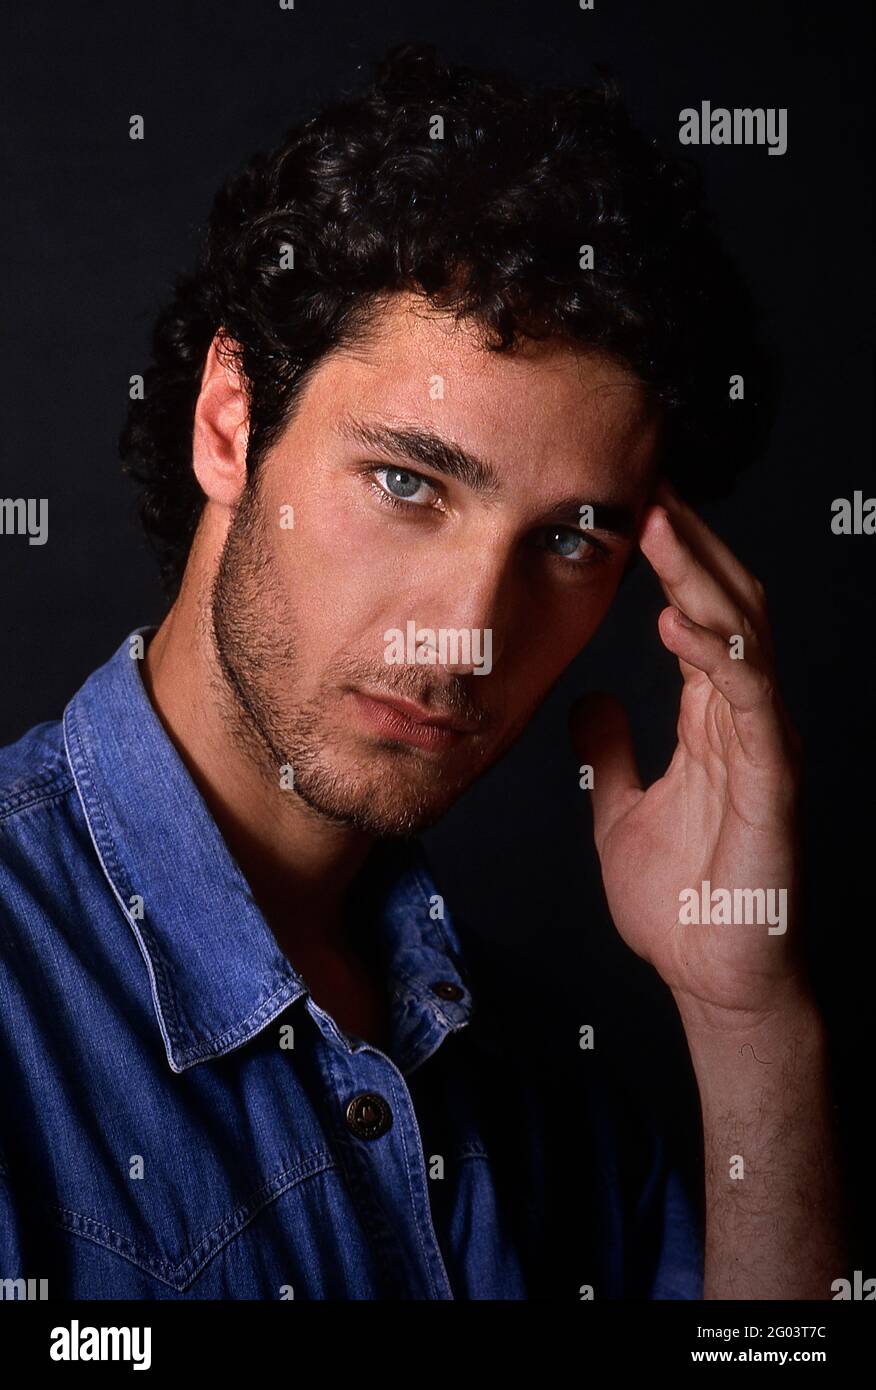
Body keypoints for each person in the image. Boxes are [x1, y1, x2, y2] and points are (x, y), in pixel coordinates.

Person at [0, 42, 844, 1300]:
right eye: (408, 483)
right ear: (231, 421)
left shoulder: (540, 1080)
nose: (467, 633)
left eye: (568, 538)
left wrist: (746, 1019)